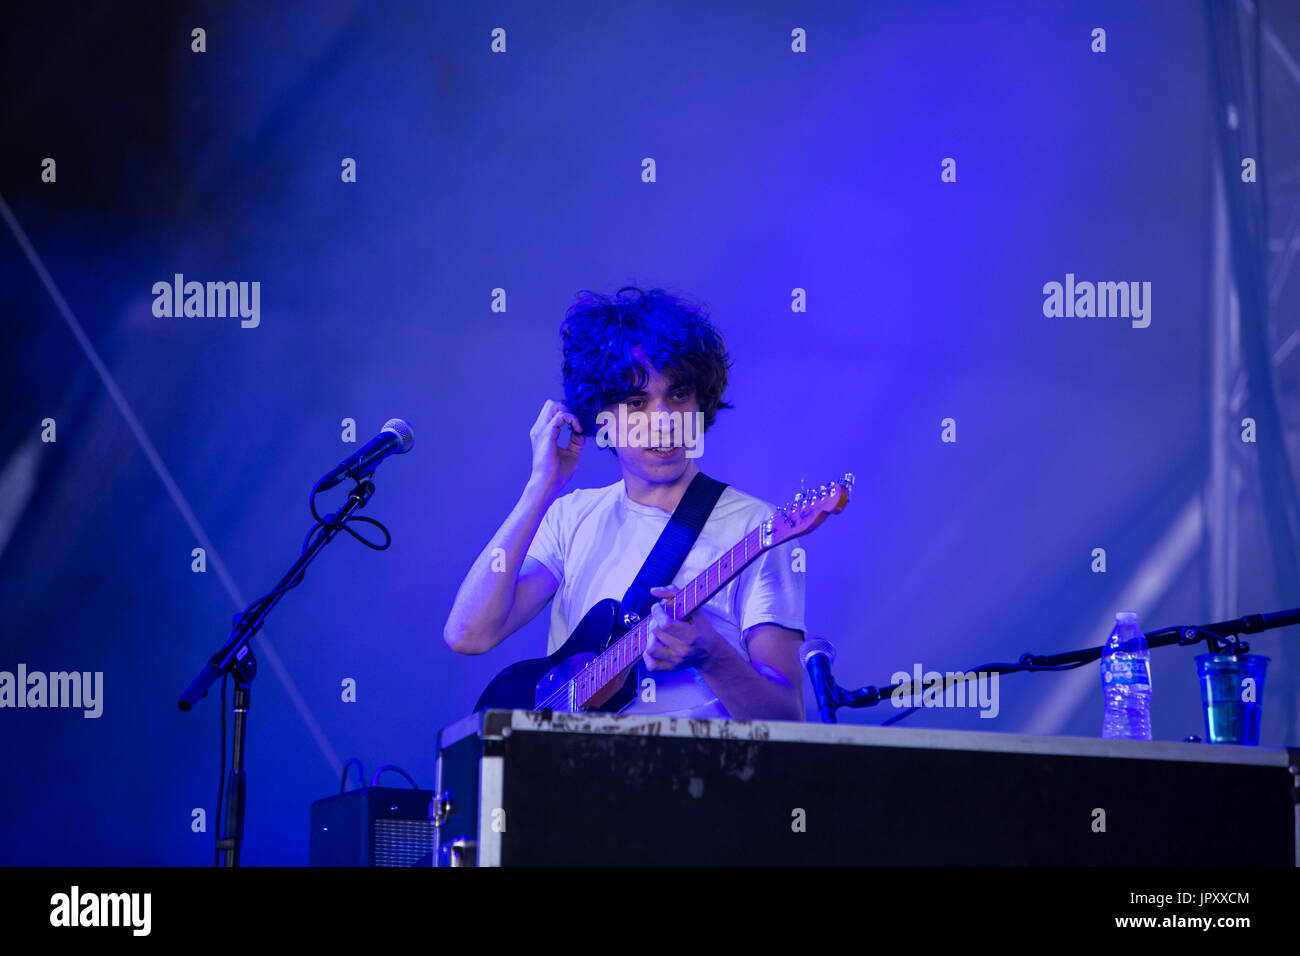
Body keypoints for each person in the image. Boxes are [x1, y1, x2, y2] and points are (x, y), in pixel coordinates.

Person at [443, 286, 805, 720]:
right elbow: (469, 634)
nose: (665, 420)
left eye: (679, 395)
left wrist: (714, 657)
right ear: (601, 419)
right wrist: (540, 487)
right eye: (636, 402)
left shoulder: (758, 527)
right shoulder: (571, 516)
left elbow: (787, 716)